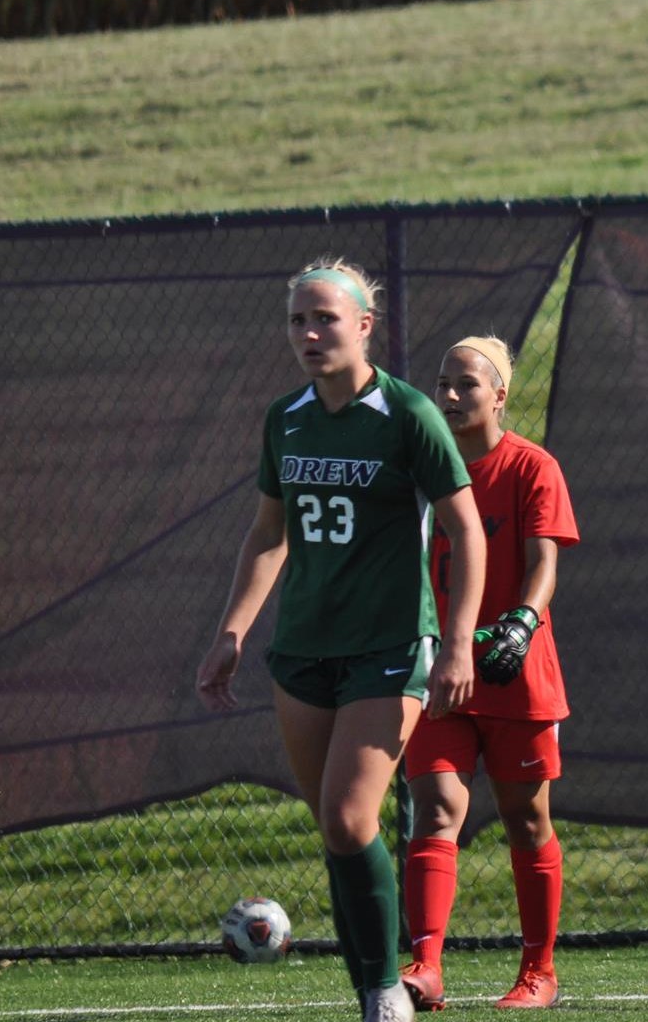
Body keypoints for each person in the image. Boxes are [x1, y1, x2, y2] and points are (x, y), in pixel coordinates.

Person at [196, 258, 487, 1022]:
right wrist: (231, 632)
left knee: (353, 817)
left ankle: (387, 989)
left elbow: (465, 528)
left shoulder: (408, 413)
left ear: (364, 325)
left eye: (325, 318)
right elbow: (269, 533)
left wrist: (457, 641)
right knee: (335, 825)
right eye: (298, 319)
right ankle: (370, 990)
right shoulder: (285, 417)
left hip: (389, 645)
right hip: (302, 648)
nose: (309, 332)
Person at [398, 336, 580, 1012]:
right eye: (442, 383)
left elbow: (543, 563)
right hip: (439, 671)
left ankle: (539, 972)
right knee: (436, 807)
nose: (449, 395)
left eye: (466, 384)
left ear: (499, 395)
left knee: (525, 819)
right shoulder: (420, 470)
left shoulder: (532, 466)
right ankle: (426, 966)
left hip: (514, 671)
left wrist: (522, 622)